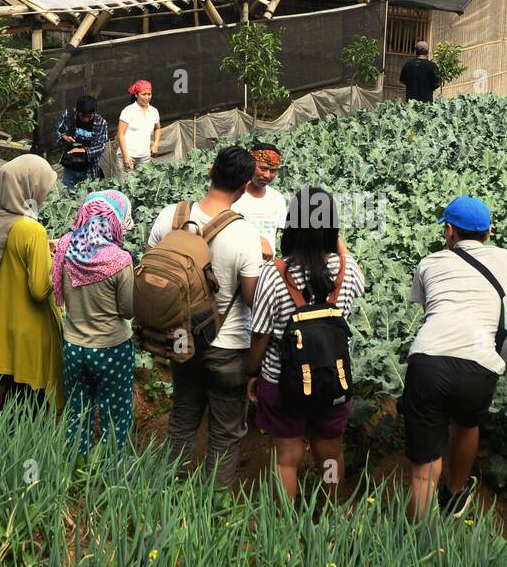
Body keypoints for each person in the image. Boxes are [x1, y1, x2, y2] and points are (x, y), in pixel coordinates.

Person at [148, 144, 264, 489]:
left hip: (180, 339)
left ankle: (170, 495)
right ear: (245, 187)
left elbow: (154, 275)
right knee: (225, 433)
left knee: (183, 418)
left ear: (210, 170)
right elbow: (250, 297)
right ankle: (214, 506)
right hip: (227, 347)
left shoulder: (171, 216)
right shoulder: (245, 234)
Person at [403, 195, 507, 520]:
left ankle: (415, 547)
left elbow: (430, 311)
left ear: (450, 231)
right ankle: (455, 494)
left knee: (422, 472)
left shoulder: (429, 263)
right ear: (490, 232)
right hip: (480, 363)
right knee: (467, 423)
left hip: (429, 359)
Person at [246, 186, 366, 501]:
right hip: (333, 377)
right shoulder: (348, 269)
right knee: (330, 454)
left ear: (291, 225)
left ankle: (284, 531)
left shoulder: (273, 273)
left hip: (282, 379)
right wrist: (333, 238)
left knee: (286, 457)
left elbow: (260, 333)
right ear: (332, 227)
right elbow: (354, 275)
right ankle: (332, 519)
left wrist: (252, 372)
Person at [54, 190, 136, 456]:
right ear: (114, 220)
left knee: (77, 409)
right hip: (111, 348)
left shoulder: (65, 247)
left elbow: (61, 292)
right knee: (117, 412)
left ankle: (77, 465)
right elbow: (127, 310)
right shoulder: (119, 260)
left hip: (74, 346)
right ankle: (112, 468)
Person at [0, 154, 63, 412]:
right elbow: (39, 289)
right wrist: (58, 262)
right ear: (27, 186)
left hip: (4, 325)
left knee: (14, 399)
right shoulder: (32, 230)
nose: (45, 193)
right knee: (34, 406)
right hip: (31, 331)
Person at [234, 143, 287, 261]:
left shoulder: (277, 198)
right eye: (263, 168)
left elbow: (282, 236)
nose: (267, 175)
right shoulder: (234, 196)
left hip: (267, 271)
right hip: (238, 265)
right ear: (250, 166)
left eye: (273, 171)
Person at [54, 95, 108, 188]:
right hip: (70, 166)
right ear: (77, 111)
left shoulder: (101, 122)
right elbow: (56, 131)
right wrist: (63, 137)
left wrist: (84, 151)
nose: (86, 119)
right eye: (83, 116)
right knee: (67, 196)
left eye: (89, 117)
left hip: (90, 168)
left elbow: (101, 146)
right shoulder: (68, 115)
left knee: (88, 197)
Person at [117, 80, 161, 175]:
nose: (147, 97)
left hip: (145, 158)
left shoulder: (154, 111)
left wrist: (156, 142)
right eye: (143, 94)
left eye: (149, 94)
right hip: (128, 156)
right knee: (126, 188)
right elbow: (120, 134)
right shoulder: (128, 111)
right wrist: (125, 156)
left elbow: (157, 128)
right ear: (136, 95)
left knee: (144, 188)